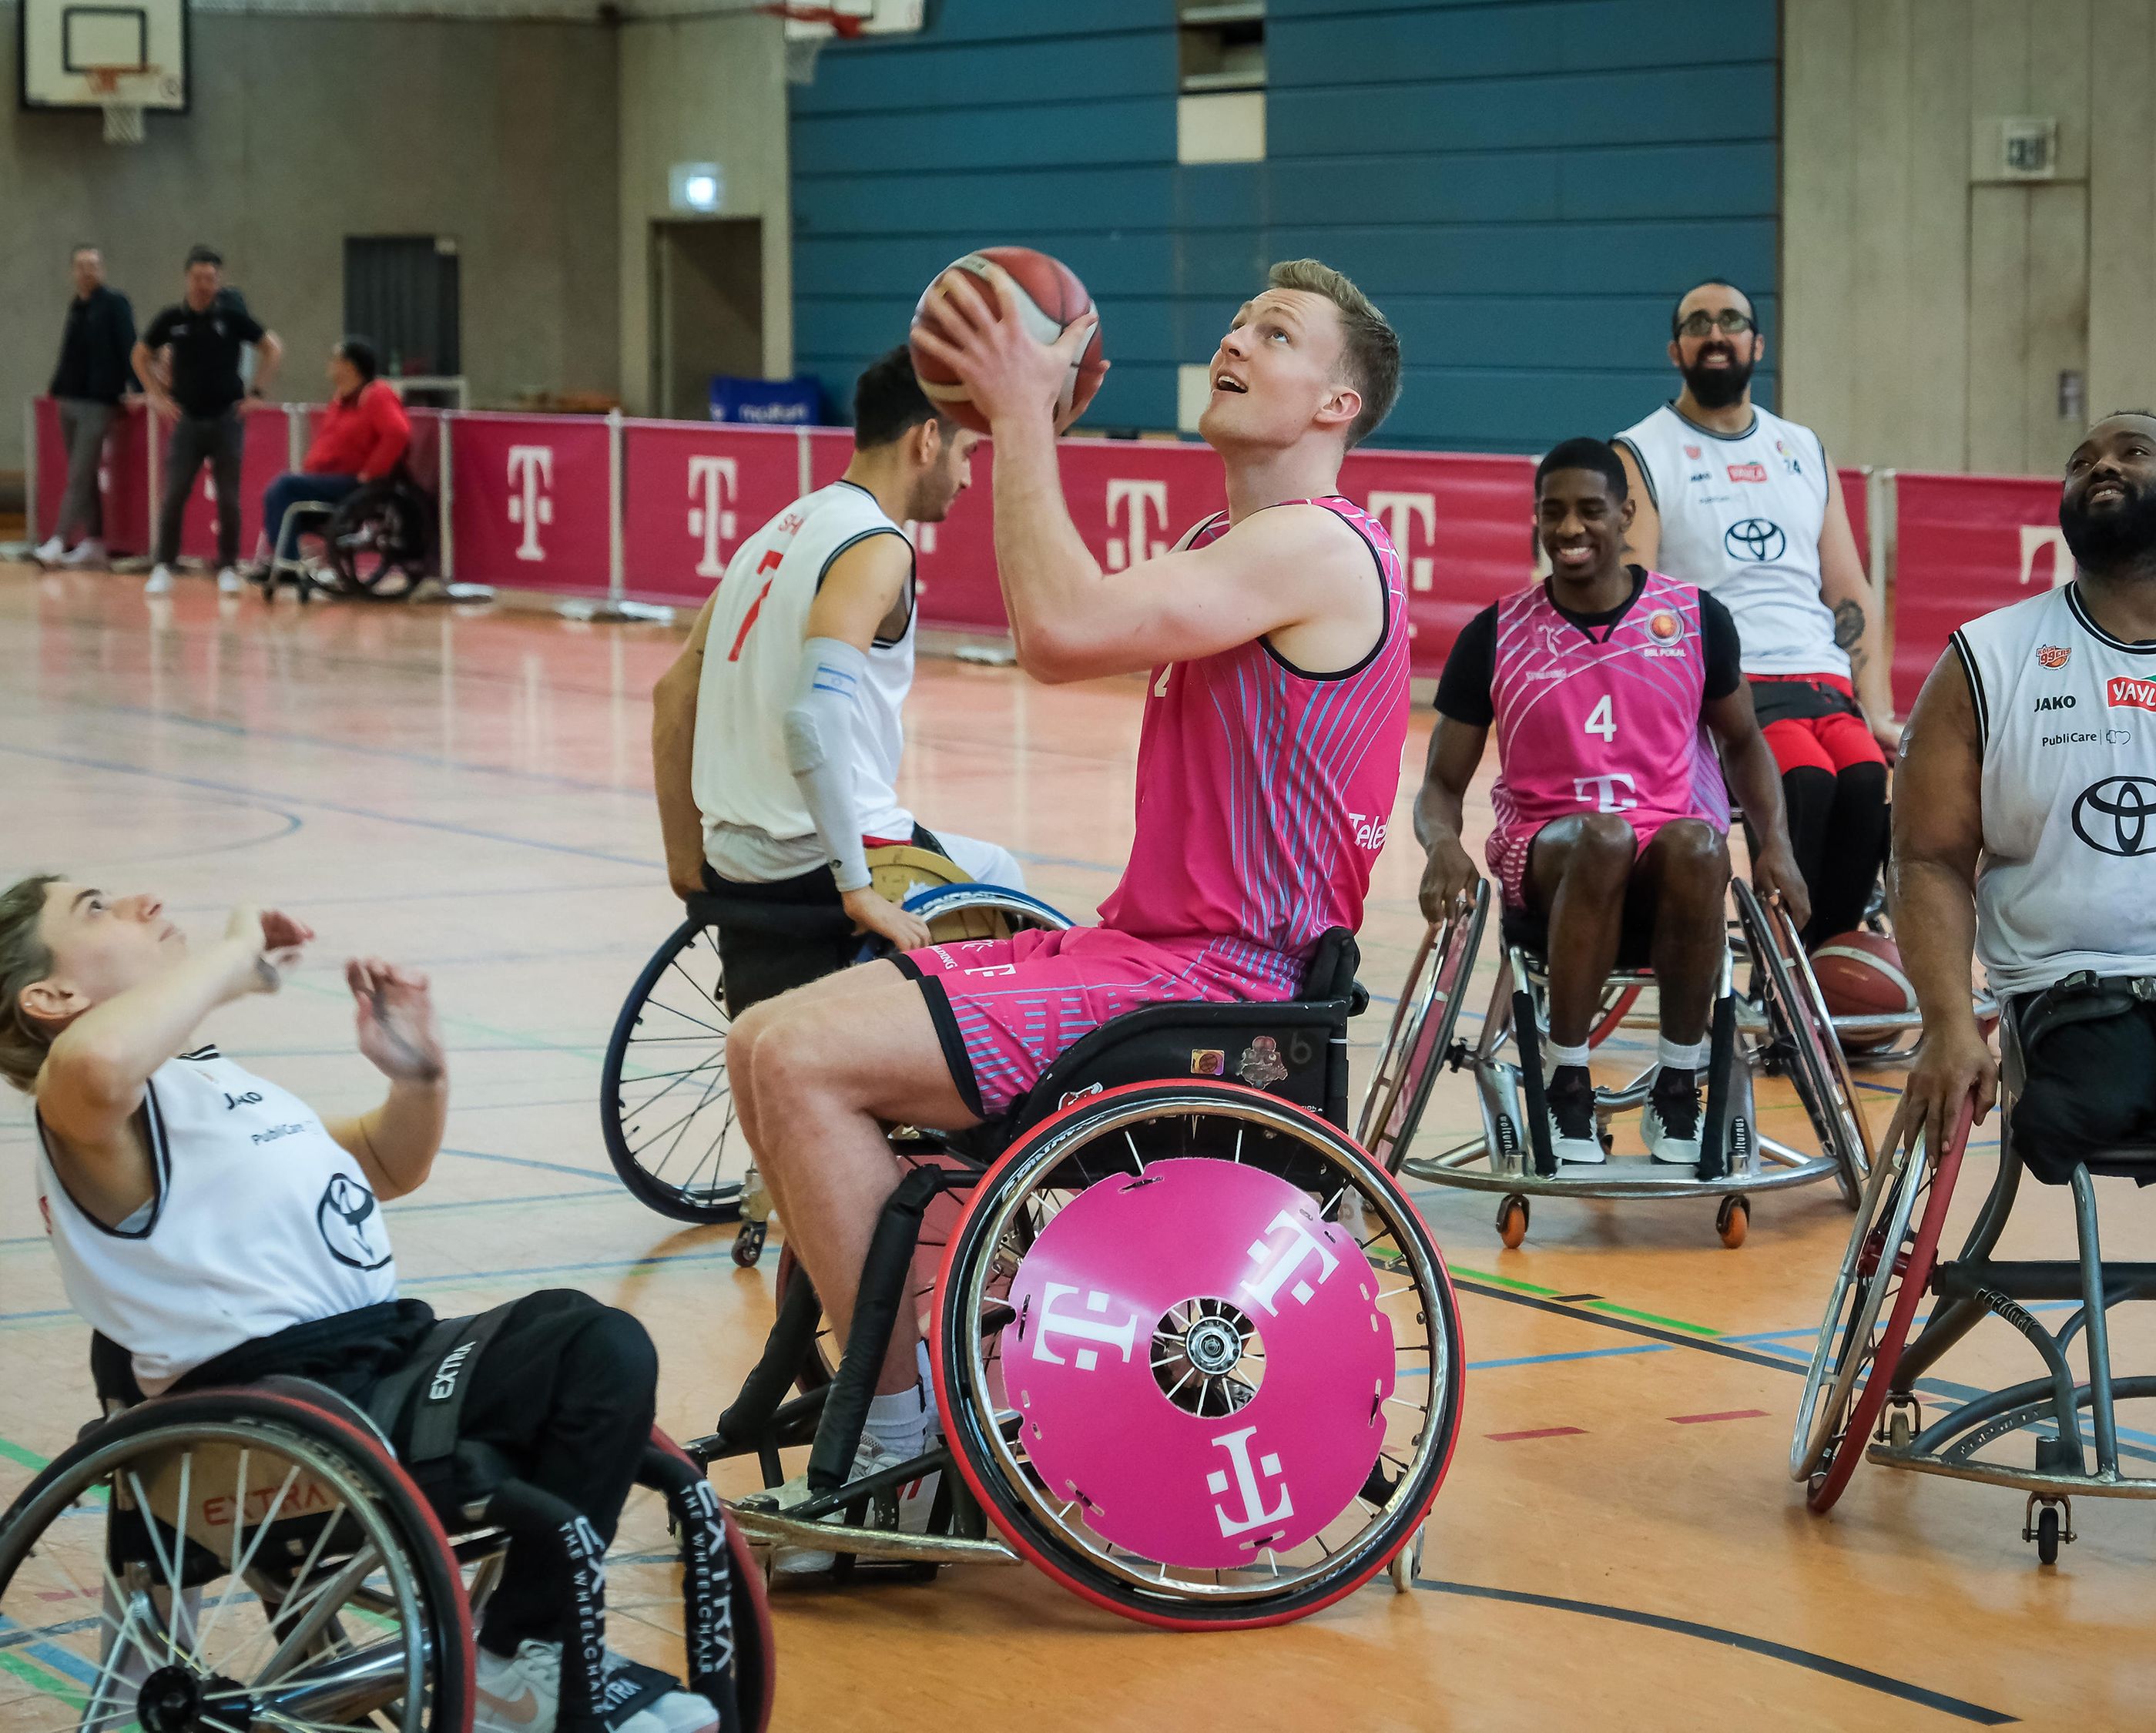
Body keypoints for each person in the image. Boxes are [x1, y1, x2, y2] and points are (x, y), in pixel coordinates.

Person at [722, 258, 1409, 1547]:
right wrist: (1025, 418)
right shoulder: (1229, 543)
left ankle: (902, 1432)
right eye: (1237, 317)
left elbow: (1059, 632)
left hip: (1226, 983)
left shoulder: (1315, 546)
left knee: (806, 1062)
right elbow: (1072, 619)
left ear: (1338, 406)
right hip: (1149, 952)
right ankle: (923, 1382)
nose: (1236, 339)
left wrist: (1024, 410)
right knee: (765, 1041)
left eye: (1278, 333)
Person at [0, 876, 717, 1733]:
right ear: (51, 996)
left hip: (375, 1364)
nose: (145, 901)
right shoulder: (85, 1104)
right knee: (591, 1345)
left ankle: (518, 1653)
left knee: (588, 1344)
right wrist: (236, 958)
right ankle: (516, 1668)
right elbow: (94, 1061)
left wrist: (419, 1077)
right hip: (289, 1402)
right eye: (95, 908)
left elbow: (384, 1163)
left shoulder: (213, 1087)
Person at [1890, 412, 2156, 1185]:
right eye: (2082, 461)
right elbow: (1927, 860)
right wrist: (1949, 1024)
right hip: (2067, 994)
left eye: (2131, 451)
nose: (2101, 466)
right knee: (2069, 1115)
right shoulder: (1986, 659)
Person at [1417, 437, 1807, 1166]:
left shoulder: (1694, 618)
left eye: (1590, 510)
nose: (1570, 529)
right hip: (1547, 852)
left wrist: (1775, 845)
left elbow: (1747, 743)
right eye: (1552, 512)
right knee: (1602, 837)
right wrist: (1444, 846)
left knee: (1698, 841)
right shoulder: (1496, 632)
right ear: (1534, 519)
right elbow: (1441, 784)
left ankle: (1678, 1088)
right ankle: (1568, 1085)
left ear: (1625, 514)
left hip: (1665, 860)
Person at [652, 344, 1026, 1013]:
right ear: (927, 439)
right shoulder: (878, 545)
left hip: (735, 857)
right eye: (970, 452)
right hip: (817, 859)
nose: (970, 478)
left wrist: (687, 862)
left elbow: (673, 692)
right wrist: (855, 887)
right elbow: (812, 717)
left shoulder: (776, 531)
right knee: (1002, 879)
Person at [1614, 278, 1895, 948]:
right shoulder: (1641, 451)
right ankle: (1790, 988)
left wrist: (1877, 705)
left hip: (1821, 677)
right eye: (1698, 324)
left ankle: (1825, 969)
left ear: (1756, 343)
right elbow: (1639, 596)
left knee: (1865, 785)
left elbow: (1849, 588)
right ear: (1676, 350)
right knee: (1806, 782)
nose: (1716, 334)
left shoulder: (1801, 449)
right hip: (1729, 684)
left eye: (1731, 321)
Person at [133, 246, 282, 597]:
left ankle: (228, 567)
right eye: (198, 277)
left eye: (210, 279)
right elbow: (140, 354)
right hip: (187, 420)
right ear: (187, 278)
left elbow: (272, 347)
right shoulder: (172, 319)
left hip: (227, 418)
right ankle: (163, 566)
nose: (204, 284)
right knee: (174, 495)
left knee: (229, 498)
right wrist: (155, 394)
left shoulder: (231, 318)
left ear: (219, 281)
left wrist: (257, 392)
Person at [258, 336, 409, 564]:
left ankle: (288, 562)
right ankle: (284, 559)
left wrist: (371, 473)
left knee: (284, 486)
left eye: (334, 360)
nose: (330, 364)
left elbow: (398, 433)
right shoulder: (341, 400)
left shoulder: (376, 395)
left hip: (353, 484)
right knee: (279, 495)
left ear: (349, 366)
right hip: (328, 480)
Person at [35, 246, 138, 570]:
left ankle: (58, 540)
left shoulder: (115, 304)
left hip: (99, 401)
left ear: (102, 270)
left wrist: (138, 388)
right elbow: (69, 351)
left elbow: (129, 345)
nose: (87, 272)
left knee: (79, 472)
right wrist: (56, 384)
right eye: (81, 266)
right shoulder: (77, 307)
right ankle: (94, 541)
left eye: (93, 266)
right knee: (86, 473)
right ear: (73, 272)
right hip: (70, 399)